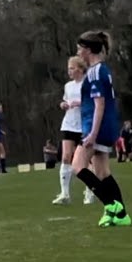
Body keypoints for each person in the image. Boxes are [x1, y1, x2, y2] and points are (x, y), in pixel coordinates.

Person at [71, 30, 130, 227]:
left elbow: (100, 104)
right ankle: (122, 216)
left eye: (80, 48)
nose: (78, 52)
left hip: (96, 128)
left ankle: (111, 205)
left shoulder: (95, 72)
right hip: (105, 127)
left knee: (78, 166)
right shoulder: (101, 70)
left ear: (88, 50)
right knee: (103, 172)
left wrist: (92, 134)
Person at [53, 56, 96, 205]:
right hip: (69, 123)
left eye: (71, 68)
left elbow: (95, 102)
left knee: (84, 160)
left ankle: (90, 191)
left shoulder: (88, 83)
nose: (69, 71)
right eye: (68, 68)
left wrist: (81, 102)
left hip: (84, 124)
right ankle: (65, 194)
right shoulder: (68, 86)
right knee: (66, 156)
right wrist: (63, 104)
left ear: (80, 68)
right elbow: (65, 100)